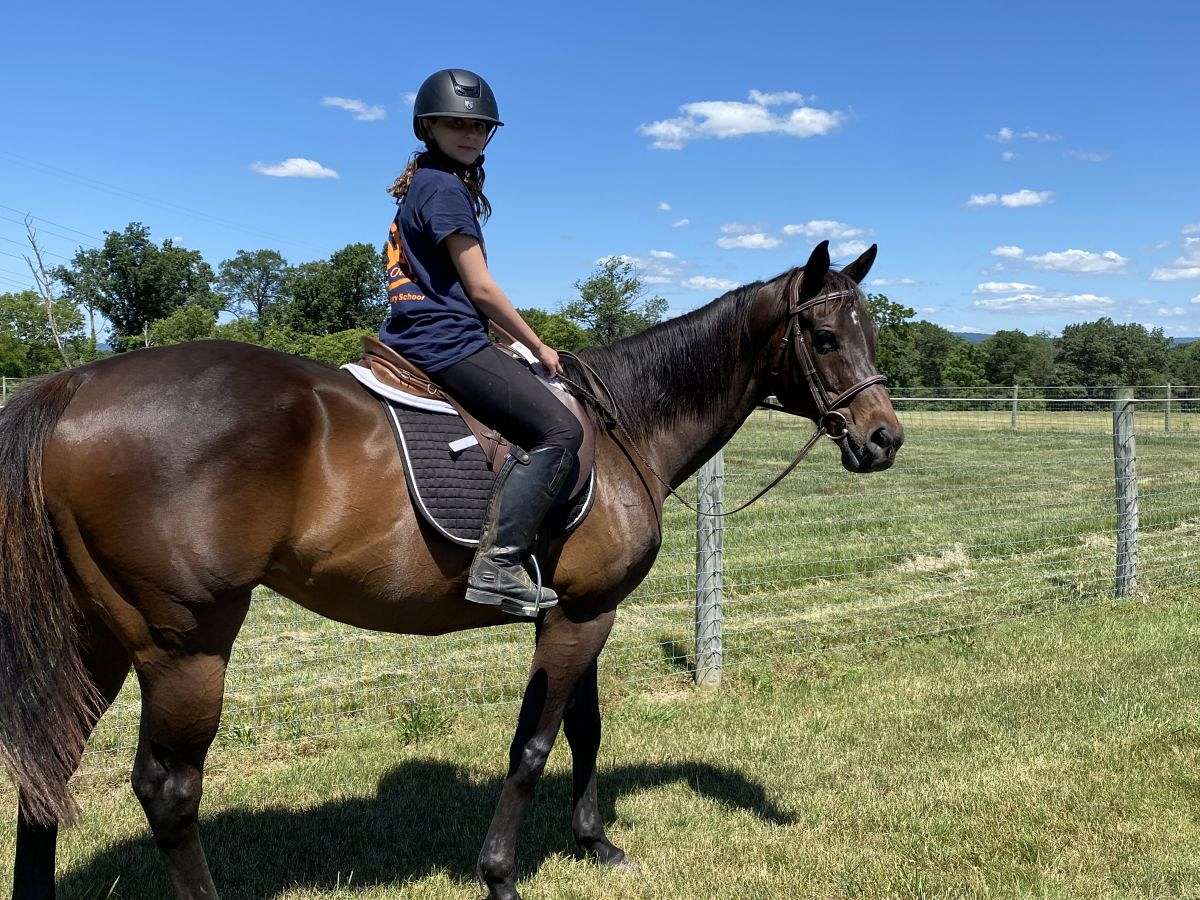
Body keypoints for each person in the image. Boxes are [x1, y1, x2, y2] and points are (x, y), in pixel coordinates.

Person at [381, 68, 583, 619]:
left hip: (418, 333)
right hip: (444, 342)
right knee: (560, 430)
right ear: (428, 126)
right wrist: (540, 346)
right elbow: (481, 288)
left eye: (479, 126)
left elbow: (447, 287)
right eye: (455, 124)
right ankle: (498, 567)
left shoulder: (423, 182)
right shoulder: (445, 190)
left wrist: (500, 338)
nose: (469, 135)